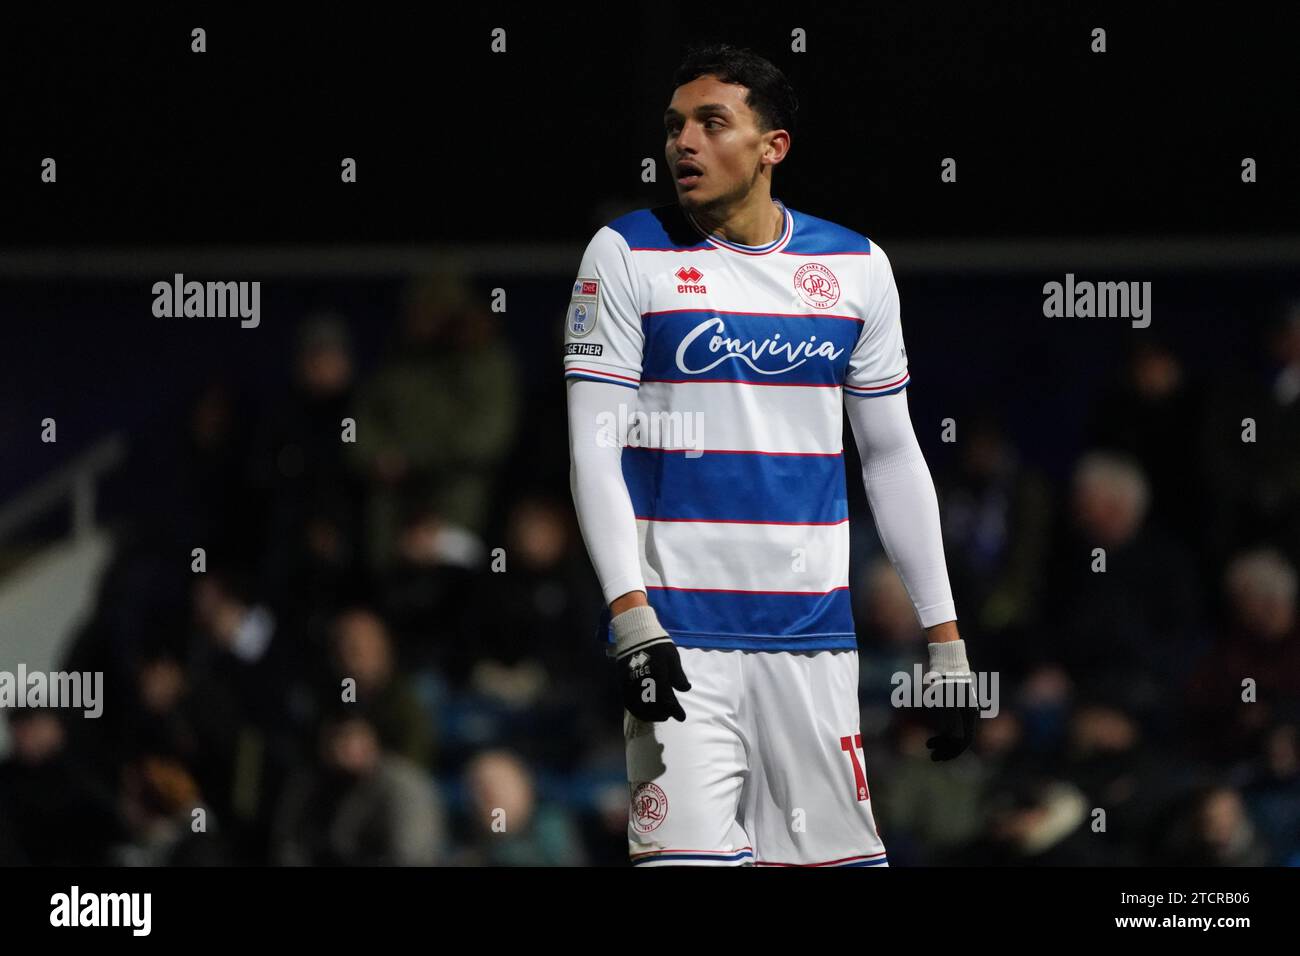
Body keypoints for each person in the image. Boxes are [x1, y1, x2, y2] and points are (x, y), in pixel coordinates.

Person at [565, 43, 975, 867]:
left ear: (772, 146)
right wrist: (631, 620)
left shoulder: (856, 267)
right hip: (678, 648)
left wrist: (946, 641)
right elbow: (593, 448)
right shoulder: (624, 253)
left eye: (712, 123)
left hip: (815, 644)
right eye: (675, 125)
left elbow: (891, 457)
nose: (683, 142)